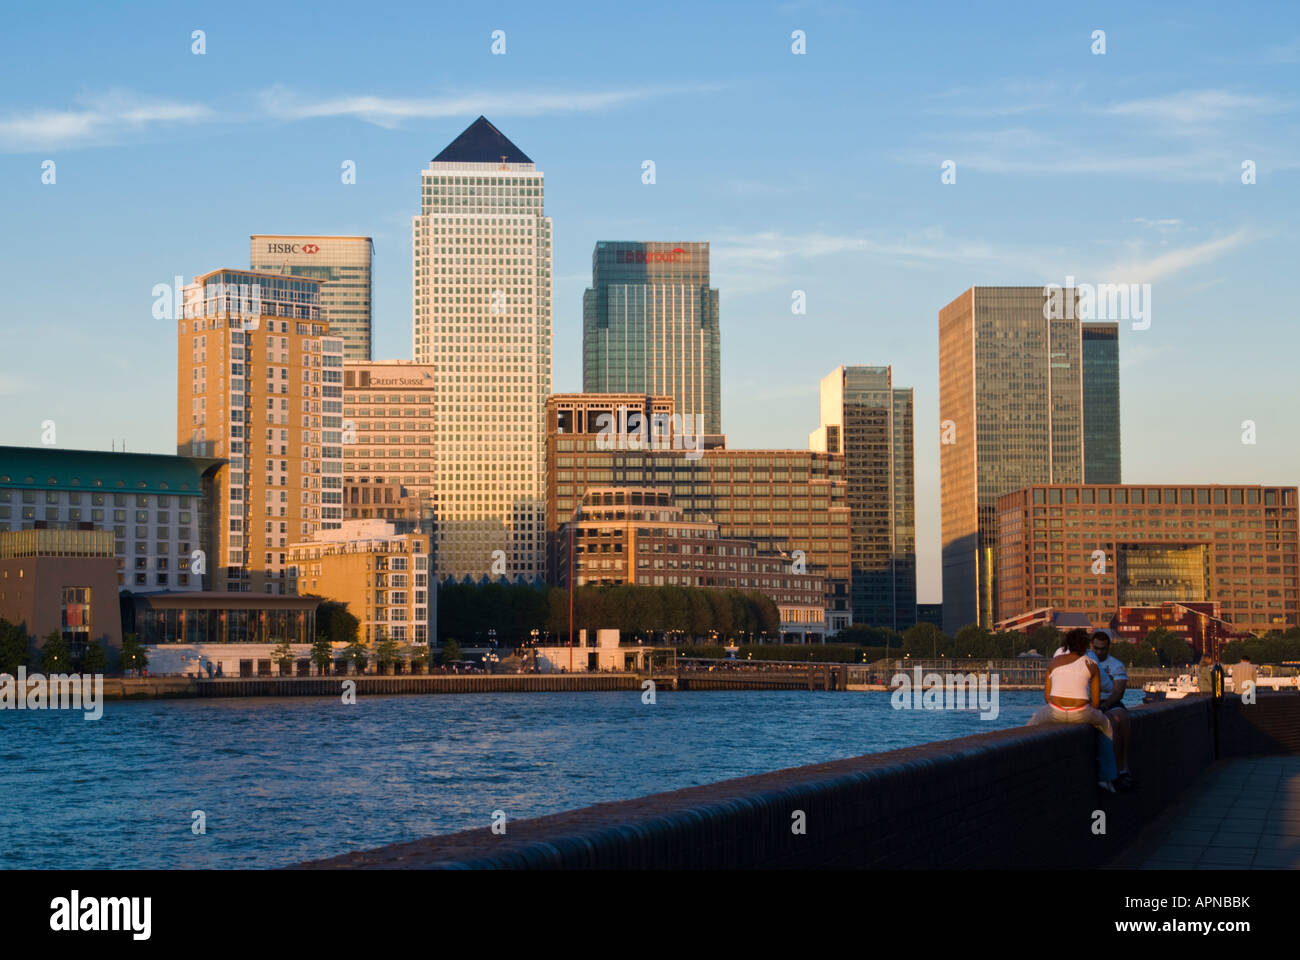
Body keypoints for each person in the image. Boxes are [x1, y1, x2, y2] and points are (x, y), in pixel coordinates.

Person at [1027, 628, 1118, 791]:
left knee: (1030, 725)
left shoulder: (1052, 663)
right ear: (1086, 646)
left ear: (1066, 643)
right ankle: (1106, 777)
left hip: (1055, 711)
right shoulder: (1092, 665)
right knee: (1106, 727)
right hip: (1082, 712)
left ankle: (1028, 772)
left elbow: (1047, 698)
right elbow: (1096, 703)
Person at [1089, 632, 1136, 791]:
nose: (1099, 652)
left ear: (1108, 648)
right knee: (1114, 723)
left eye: (1102, 649)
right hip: (1092, 702)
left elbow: (1118, 692)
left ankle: (1124, 767)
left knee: (1123, 718)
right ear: (1091, 646)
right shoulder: (1086, 662)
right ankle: (1116, 769)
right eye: (1096, 648)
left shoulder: (1116, 665)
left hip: (1110, 701)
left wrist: (1105, 706)